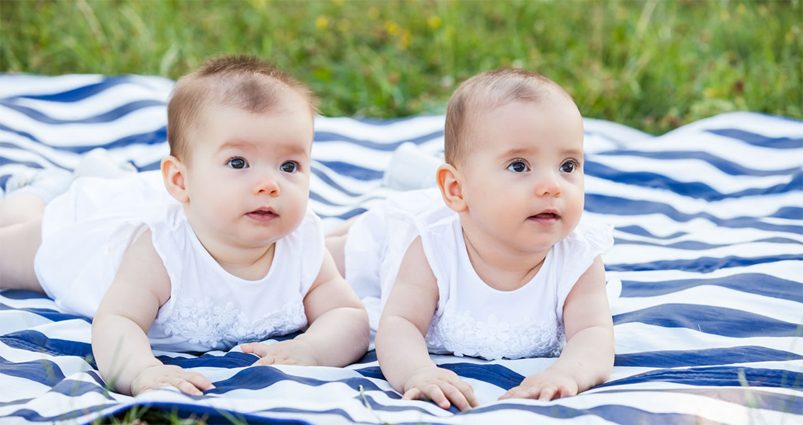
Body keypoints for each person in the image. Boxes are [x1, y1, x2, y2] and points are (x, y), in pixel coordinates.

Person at [0, 55, 369, 397]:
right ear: (180, 180)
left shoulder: (301, 244)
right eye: (238, 162)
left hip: (169, 204)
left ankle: (92, 175)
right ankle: (33, 190)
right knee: (13, 243)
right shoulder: (160, 250)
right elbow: (118, 320)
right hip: (83, 242)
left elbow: (348, 316)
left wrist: (311, 347)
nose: (269, 184)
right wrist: (141, 370)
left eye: (289, 166)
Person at [327, 68, 615, 411]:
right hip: (392, 239)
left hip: (467, 207)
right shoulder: (432, 248)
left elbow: (594, 334)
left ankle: (414, 173)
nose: (553, 186)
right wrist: (418, 371)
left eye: (568, 166)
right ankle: (356, 220)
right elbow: (400, 323)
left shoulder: (577, 257)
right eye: (520, 166)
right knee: (331, 255)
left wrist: (567, 373)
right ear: (457, 189)